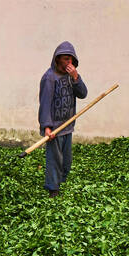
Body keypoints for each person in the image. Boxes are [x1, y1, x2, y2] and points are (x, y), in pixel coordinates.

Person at [38, 41, 87, 195]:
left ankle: (60, 181)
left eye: (71, 59)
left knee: (66, 160)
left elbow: (83, 94)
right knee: (54, 160)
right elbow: (45, 103)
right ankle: (53, 188)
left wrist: (76, 77)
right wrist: (46, 126)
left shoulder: (72, 76)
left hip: (68, 125)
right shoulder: (49, 78)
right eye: (66, 59)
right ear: (57, 59)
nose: (69, 63)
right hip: (54, 128)